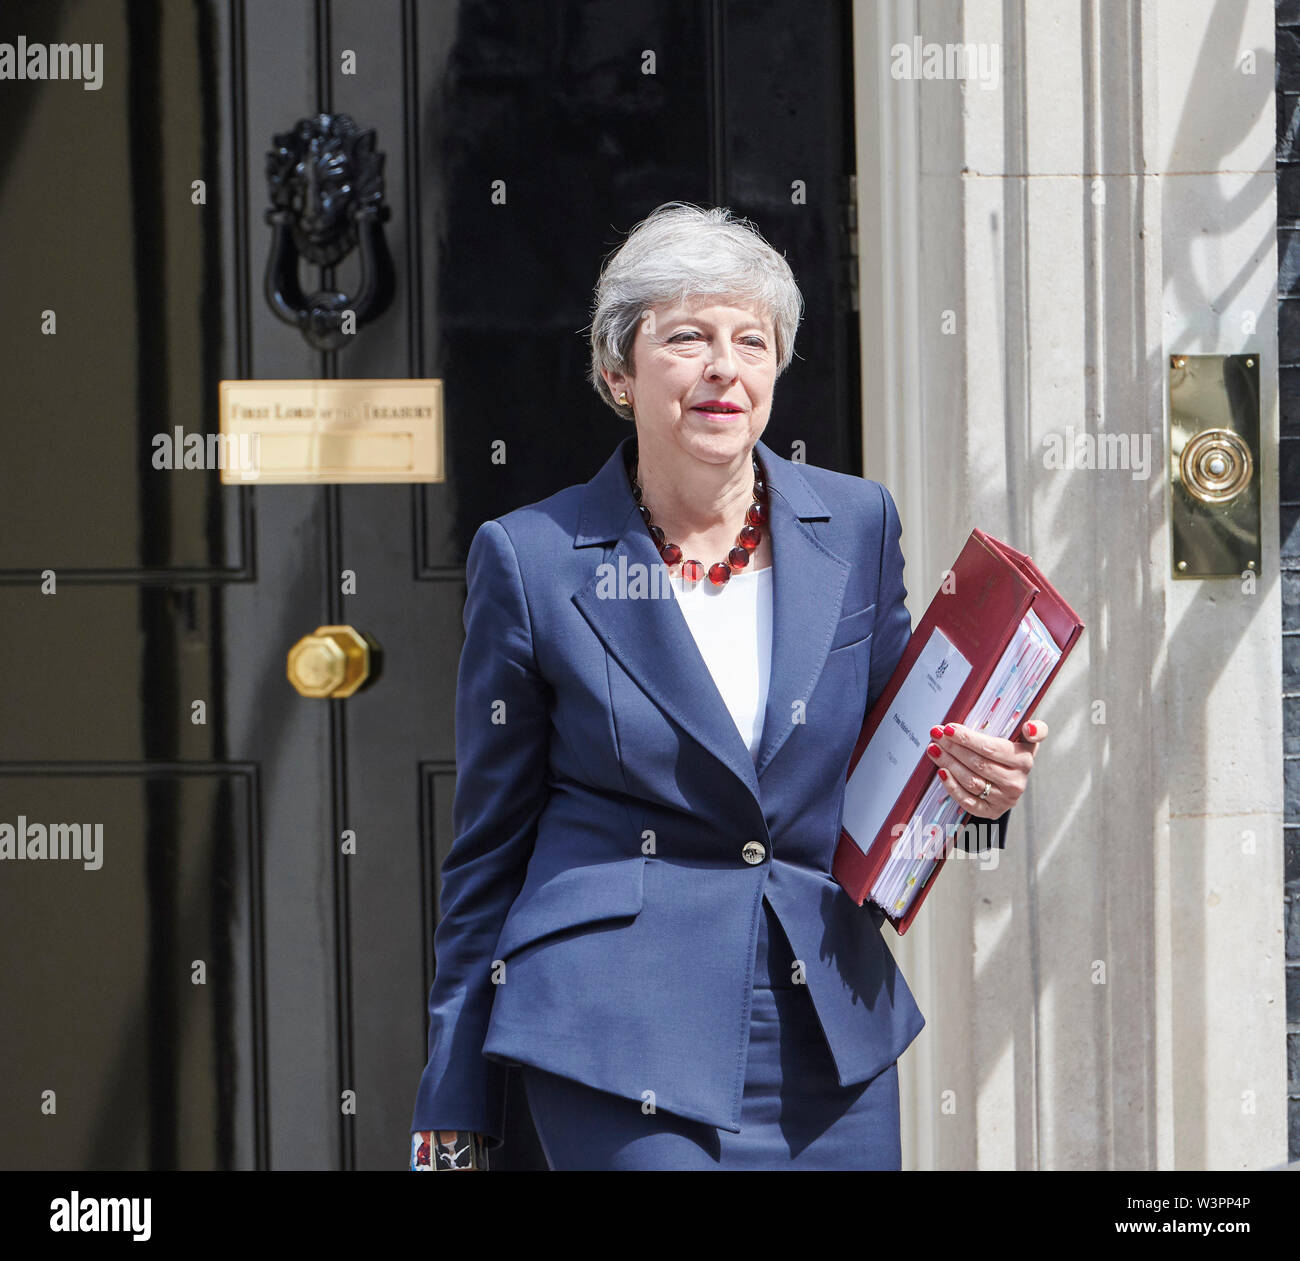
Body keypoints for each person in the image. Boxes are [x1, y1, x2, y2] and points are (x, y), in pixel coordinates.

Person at [409, 202, 1047, 1170]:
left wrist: (979, 787)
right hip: (614, 1028)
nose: (724, 366)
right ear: (617, 373)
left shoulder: (859, 521)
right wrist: (453, 1087)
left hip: (825, 1019)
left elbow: (902, 754)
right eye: (687, 337)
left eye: (752, 339)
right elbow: (489, 842)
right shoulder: (531, 559)